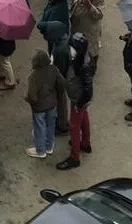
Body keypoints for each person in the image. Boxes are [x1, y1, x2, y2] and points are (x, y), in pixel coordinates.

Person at [56, 33, 93, 170]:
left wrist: (80, 102)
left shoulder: (82, 64)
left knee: (74, 126)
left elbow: (87, 86)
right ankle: (85, 143)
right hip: (79, 97)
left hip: (79, 98)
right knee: (84, 118)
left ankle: (74, 157)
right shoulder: (82, 58)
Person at [25, 48, 66, 158]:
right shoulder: (54, 69)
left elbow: (32, 95)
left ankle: (40, 151)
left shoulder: (33, 76)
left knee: (39, 127)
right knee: (50, 125)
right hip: (52, 104)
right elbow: (62, 84)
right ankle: (49, 147)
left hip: (39, 107)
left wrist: (30, 101)